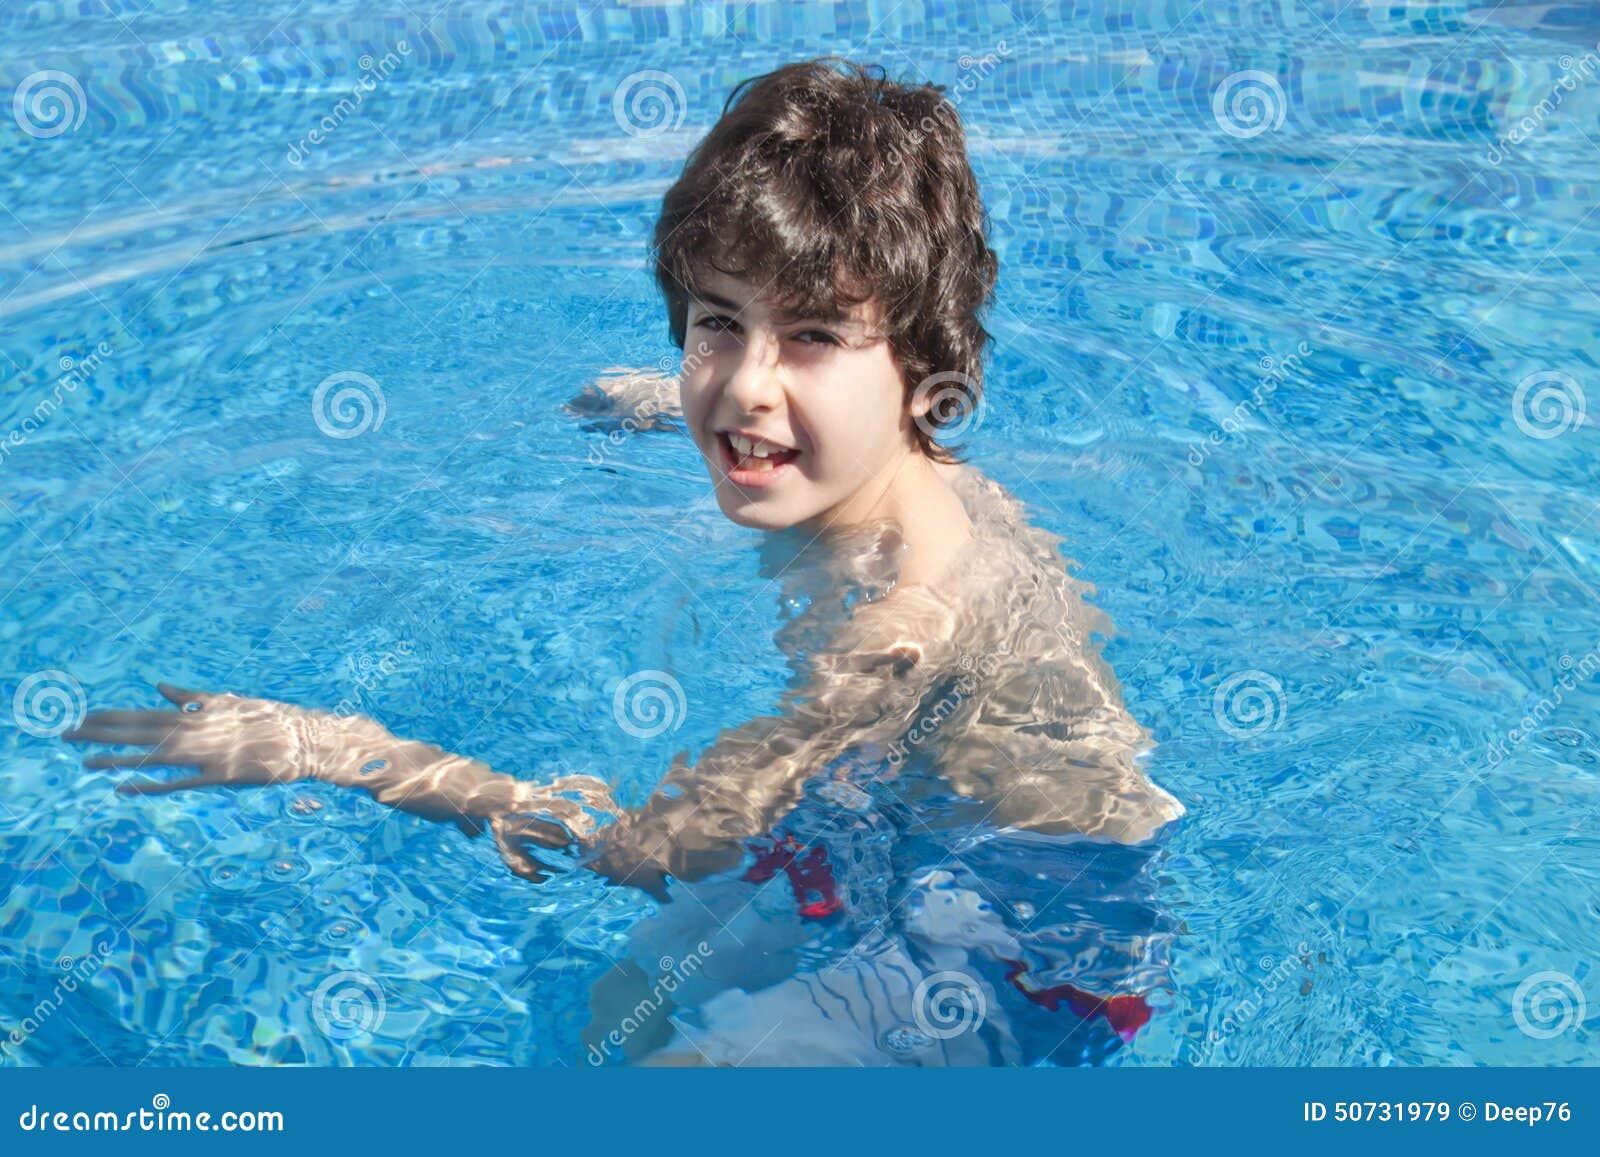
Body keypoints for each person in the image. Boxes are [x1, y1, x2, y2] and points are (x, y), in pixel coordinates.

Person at [63, 57, 1184, 1065]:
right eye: (716, 321)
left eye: (812, 337)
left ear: (919, 368)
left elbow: (649, 850)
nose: (745, 384)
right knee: (620, 1011)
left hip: (1032, 948)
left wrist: (348, 750)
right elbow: (778, 404)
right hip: (886, 836)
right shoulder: (894, 463)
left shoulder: (894, 619)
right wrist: (662, 407)